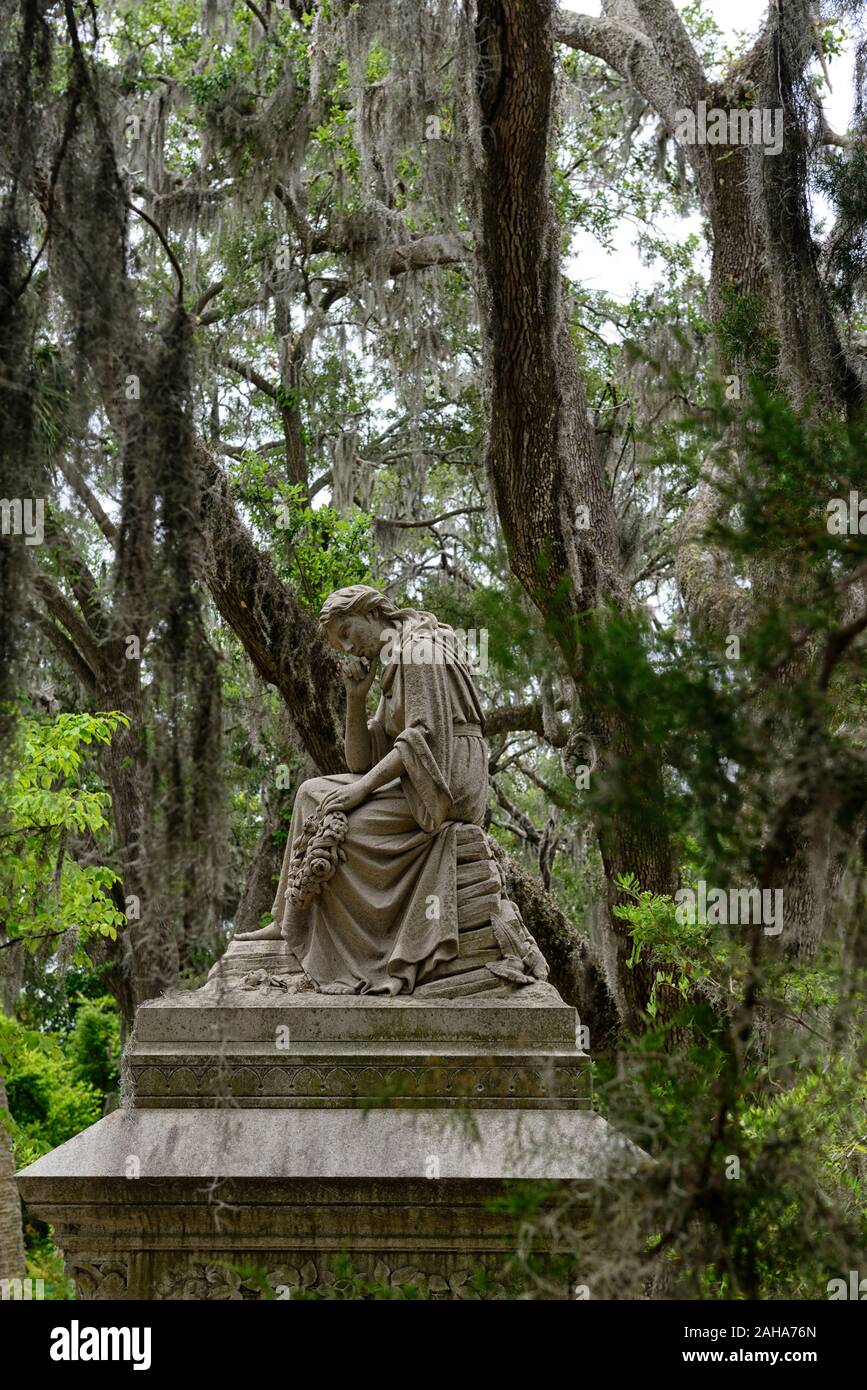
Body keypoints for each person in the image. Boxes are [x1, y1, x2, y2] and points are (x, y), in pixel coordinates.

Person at [234, 585, 488, 994]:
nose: (349, 648)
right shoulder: (393, 663)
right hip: (422, 775)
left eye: (347, 633)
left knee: (342, 820)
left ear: (372, 613)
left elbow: (423, 735)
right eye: (340, 644)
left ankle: (335, 946)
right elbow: (360, 762)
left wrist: (361, 791)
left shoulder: (417, 648)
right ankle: (285, 921)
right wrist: (356, 698)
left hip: (448, 782)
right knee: (309, 792)